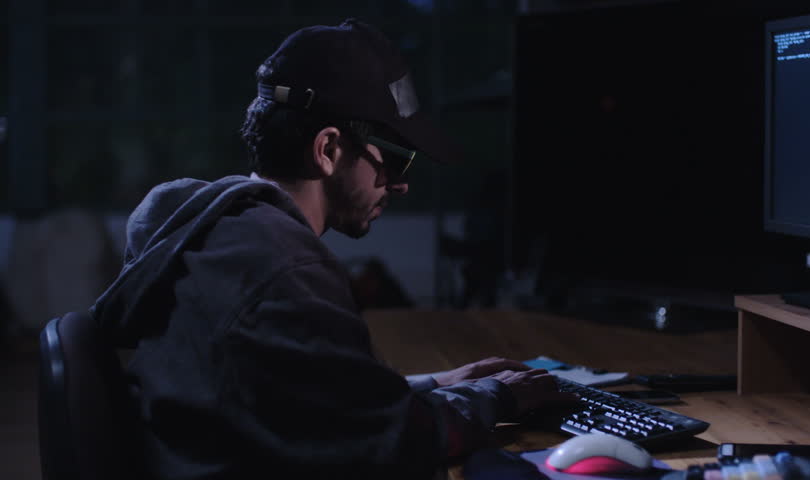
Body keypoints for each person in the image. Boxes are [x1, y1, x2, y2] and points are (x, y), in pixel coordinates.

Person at [91, 18, 575, 479]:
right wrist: (499, 398)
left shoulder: (215, 235)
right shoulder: (283, 271)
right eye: (395, 161)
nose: (399, 185)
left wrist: (438, 383)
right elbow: (395, 444)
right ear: (327, 150)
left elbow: (299, 404)